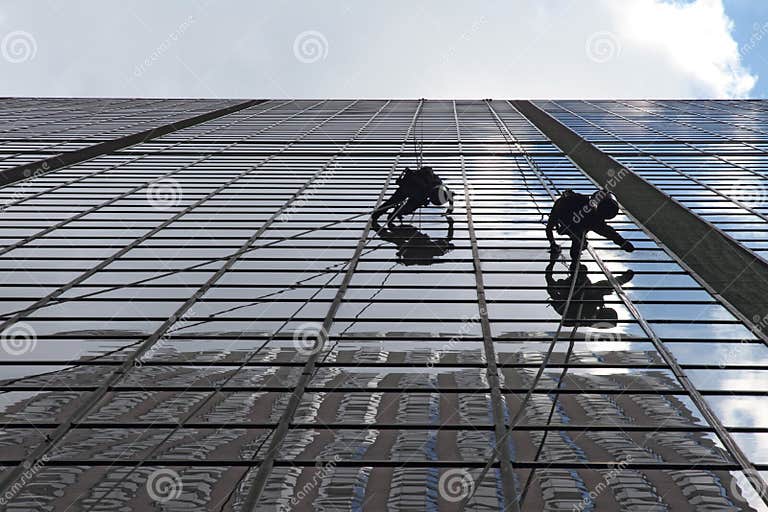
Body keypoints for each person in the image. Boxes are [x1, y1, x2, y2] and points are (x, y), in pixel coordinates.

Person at [546, 188, 634, 267]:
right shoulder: (576, 203)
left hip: (574, 222)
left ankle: (576, 261)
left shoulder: (593, 215)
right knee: (578, 240)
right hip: (570, 220)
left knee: (578, 240)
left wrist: (623, 243)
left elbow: (608, 232)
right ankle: (576, 261)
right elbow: (608, 232)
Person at [545, 251, 634, 327]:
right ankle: (621, 280)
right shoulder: (591, 302)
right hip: (577, 297)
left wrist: (552, 261)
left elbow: (549, 281)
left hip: (575, 298)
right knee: (600, 287)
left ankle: (621, 280)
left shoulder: (588, 309)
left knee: (600, 287)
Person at [372, 166, 453, 226]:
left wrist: (450, 208)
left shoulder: (439, 184)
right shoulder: (427, 183)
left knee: (406, 207)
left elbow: (450, 196)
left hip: (415, 193)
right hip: (407, 189)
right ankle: (377, 215)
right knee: (393, 202)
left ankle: (394, 213)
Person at [372, 216, 454, 265]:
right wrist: (451, 224)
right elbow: (449, 237)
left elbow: (428, 260)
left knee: (397, 239)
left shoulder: (439, 251)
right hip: (418, 243)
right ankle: (392, 227)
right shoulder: (441, 247)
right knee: (406, 233)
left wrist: (403, 257)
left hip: (415, 247)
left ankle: (389, 228)